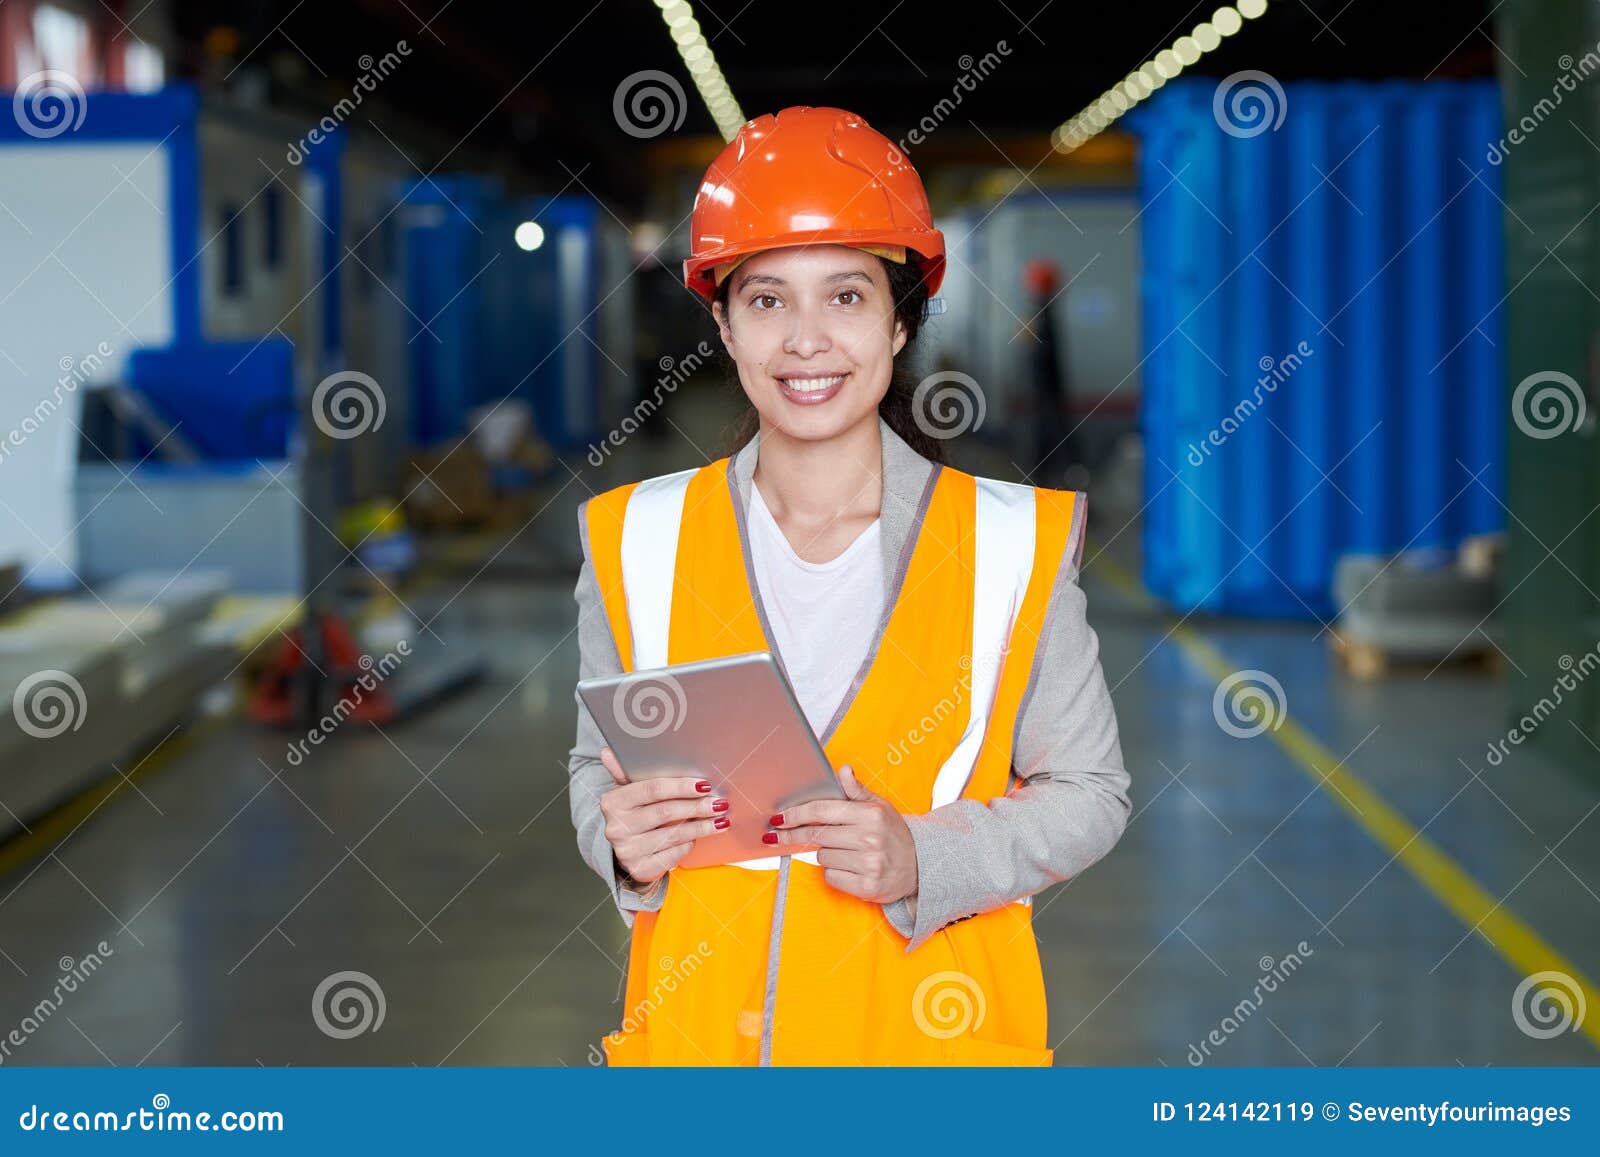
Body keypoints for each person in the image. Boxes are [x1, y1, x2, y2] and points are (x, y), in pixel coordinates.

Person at [567, 106, 1129, 1066]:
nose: (807, 341)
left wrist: (924, 855)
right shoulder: (636, 539)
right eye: (768, 299)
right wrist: (615, 840)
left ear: (901, 318)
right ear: (724, 323)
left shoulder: (1007, 543)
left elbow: (1091, 793)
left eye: (847, 297)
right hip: (704, 1057)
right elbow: (599, 773)